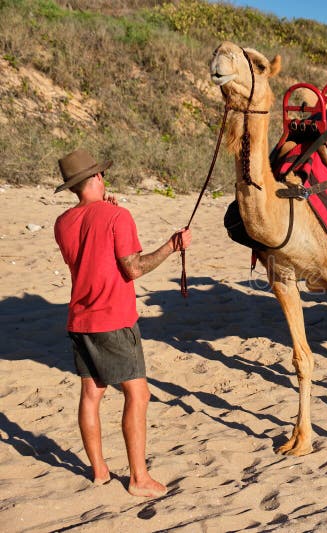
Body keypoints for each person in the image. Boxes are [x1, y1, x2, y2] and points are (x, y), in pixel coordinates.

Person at [53, 148, 191, 498]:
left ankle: (99, 471)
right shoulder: (118, 217)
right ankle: (139, 477)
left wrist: (109, 211)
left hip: (80, 318)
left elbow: (90, 250)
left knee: (90, 393)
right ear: (97, 178)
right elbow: (133, 268)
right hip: (113, 317)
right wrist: (172, 245)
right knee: (138, 394)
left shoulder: (63, 223)